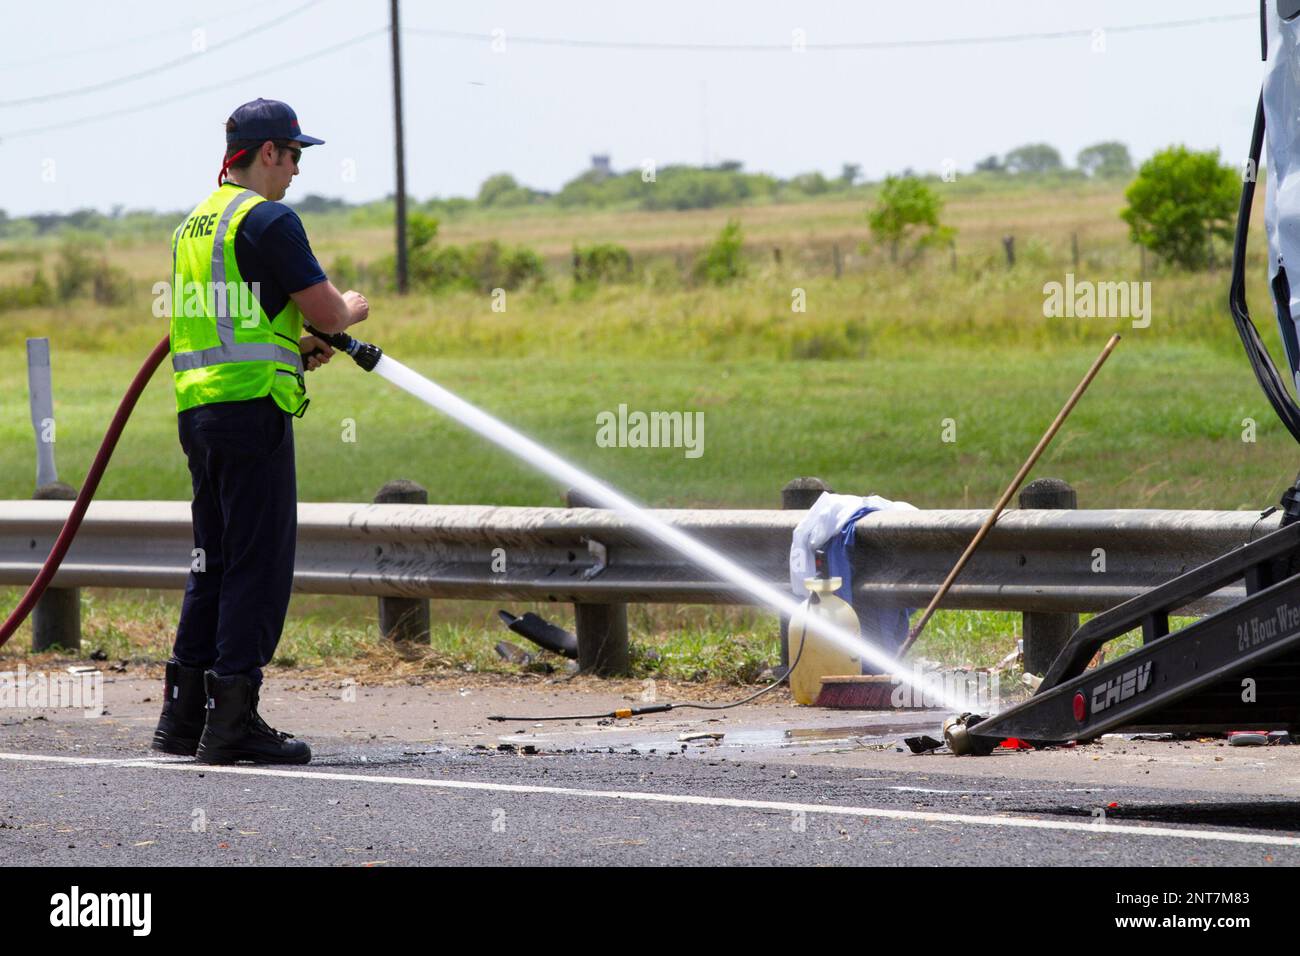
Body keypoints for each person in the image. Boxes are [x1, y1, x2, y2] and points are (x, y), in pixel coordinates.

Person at [151, 98, 369, 765]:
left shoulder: (195, 224)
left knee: (210, 560)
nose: (298, 169)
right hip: (252, 413)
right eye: (294, 154)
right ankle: (234, 721)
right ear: (267, 152)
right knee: (258, 563)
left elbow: (230, 321)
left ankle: (183, 718)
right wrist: (353, 309)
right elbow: (332, 308)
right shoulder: (269, 218)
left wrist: (289, 346)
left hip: (201, 411)